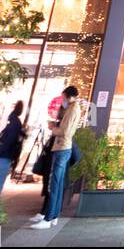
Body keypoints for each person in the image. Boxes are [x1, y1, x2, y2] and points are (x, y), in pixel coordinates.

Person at [31, 85, 83, 229]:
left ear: (69, 96)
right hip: (64, 148)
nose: (63, 100)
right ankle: (53, 216)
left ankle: (48, 218)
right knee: (58, 185)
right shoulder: (73, 109)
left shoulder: (72, 110)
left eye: (64, 97)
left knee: (54, 184)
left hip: (61, 147)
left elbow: (65, 131)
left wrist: (53, 129)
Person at [0, 101, 25, 200]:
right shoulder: (16, 123)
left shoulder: (11, 120)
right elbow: (11, 140)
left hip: (2, 155)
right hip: (6, 155)